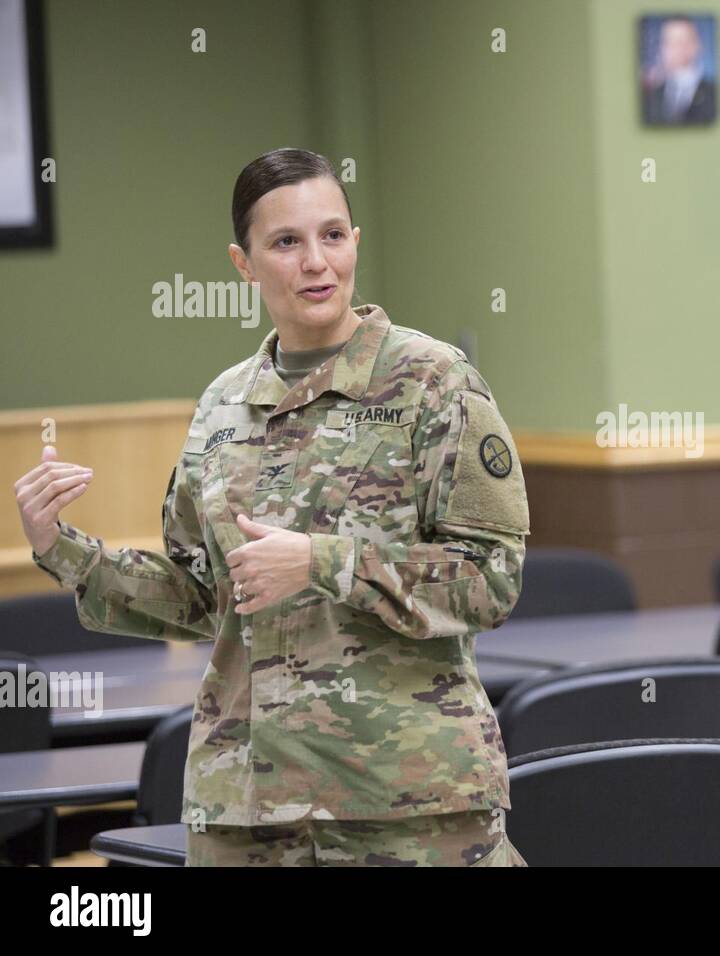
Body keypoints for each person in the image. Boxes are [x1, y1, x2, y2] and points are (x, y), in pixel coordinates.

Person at [15, 148, 531, 866]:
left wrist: (323, 563)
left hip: (408, 803)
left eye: (332, 235)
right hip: (246, 809)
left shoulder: (434, 383)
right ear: (244, 264)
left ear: (356, 242)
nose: (316, 262)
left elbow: (492, 579)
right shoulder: (222, 407)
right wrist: (63, 548)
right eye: (286, 243)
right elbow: (201, 598)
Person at [642, 17, 717, 125]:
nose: (677, 48)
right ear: (662, 47)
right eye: (670, 41)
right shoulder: (651, 95)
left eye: (683, 41)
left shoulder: (714, 92)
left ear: (697, 45)